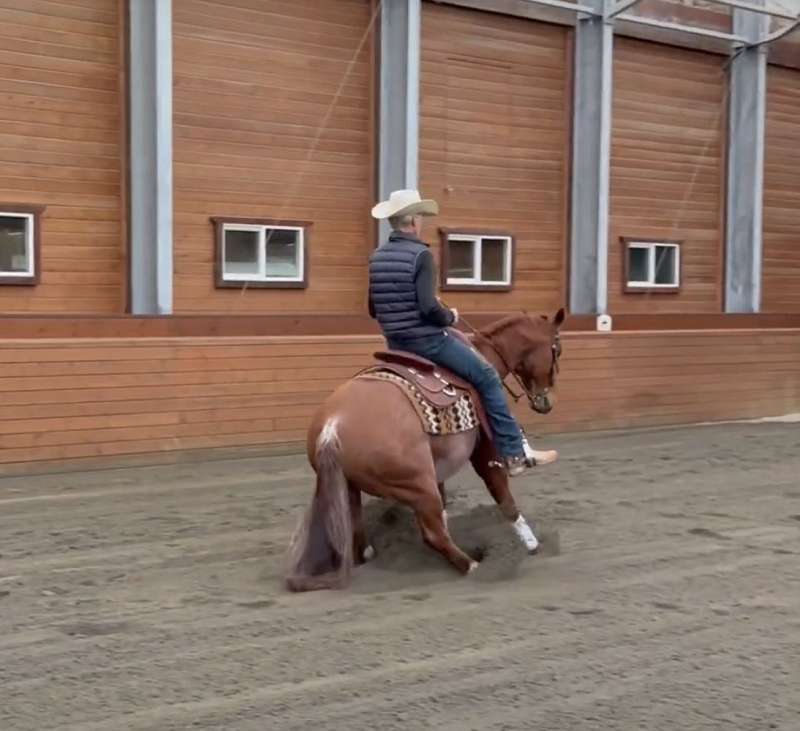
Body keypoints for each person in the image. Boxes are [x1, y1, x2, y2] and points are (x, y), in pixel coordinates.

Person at [368, 189, 558, 477]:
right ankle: (514, 454)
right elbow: (428, 307)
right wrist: (450, 316)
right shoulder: (421, 255)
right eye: (421, 217)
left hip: (394, 344)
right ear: (415, 220)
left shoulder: (377, 257)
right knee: (487, 376)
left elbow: (372, 307)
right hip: (427, 342)